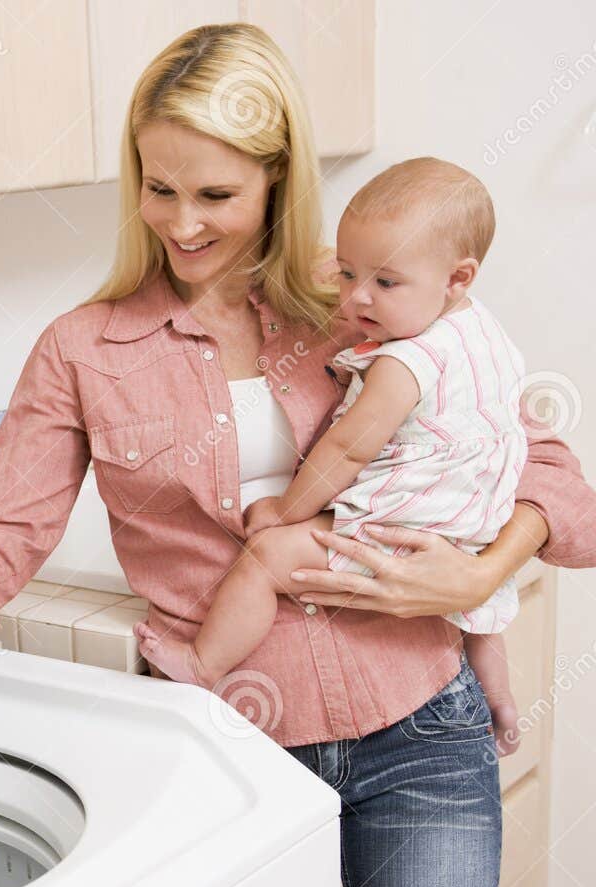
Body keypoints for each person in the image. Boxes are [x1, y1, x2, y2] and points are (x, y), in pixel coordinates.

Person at [0, 24, 596, 887]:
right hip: (232, 751)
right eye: (159, 188)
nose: (182, 221)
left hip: (423, 731)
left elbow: (550, 469)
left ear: (276, 177)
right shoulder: (82, 348)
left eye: (214, 194)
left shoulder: (363, 299)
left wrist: (481, 570)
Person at [136, 158, 525, 757]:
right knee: (478, 611)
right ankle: (500, 704)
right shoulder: (484, 332)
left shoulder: (405, 362)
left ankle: (200, 662)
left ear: (458, 277)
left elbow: (345, 449)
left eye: (385, 283)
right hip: (470, 525)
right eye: (346, 273)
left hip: (401, 535)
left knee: (265, 558)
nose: (356, 297)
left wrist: (286, 513)